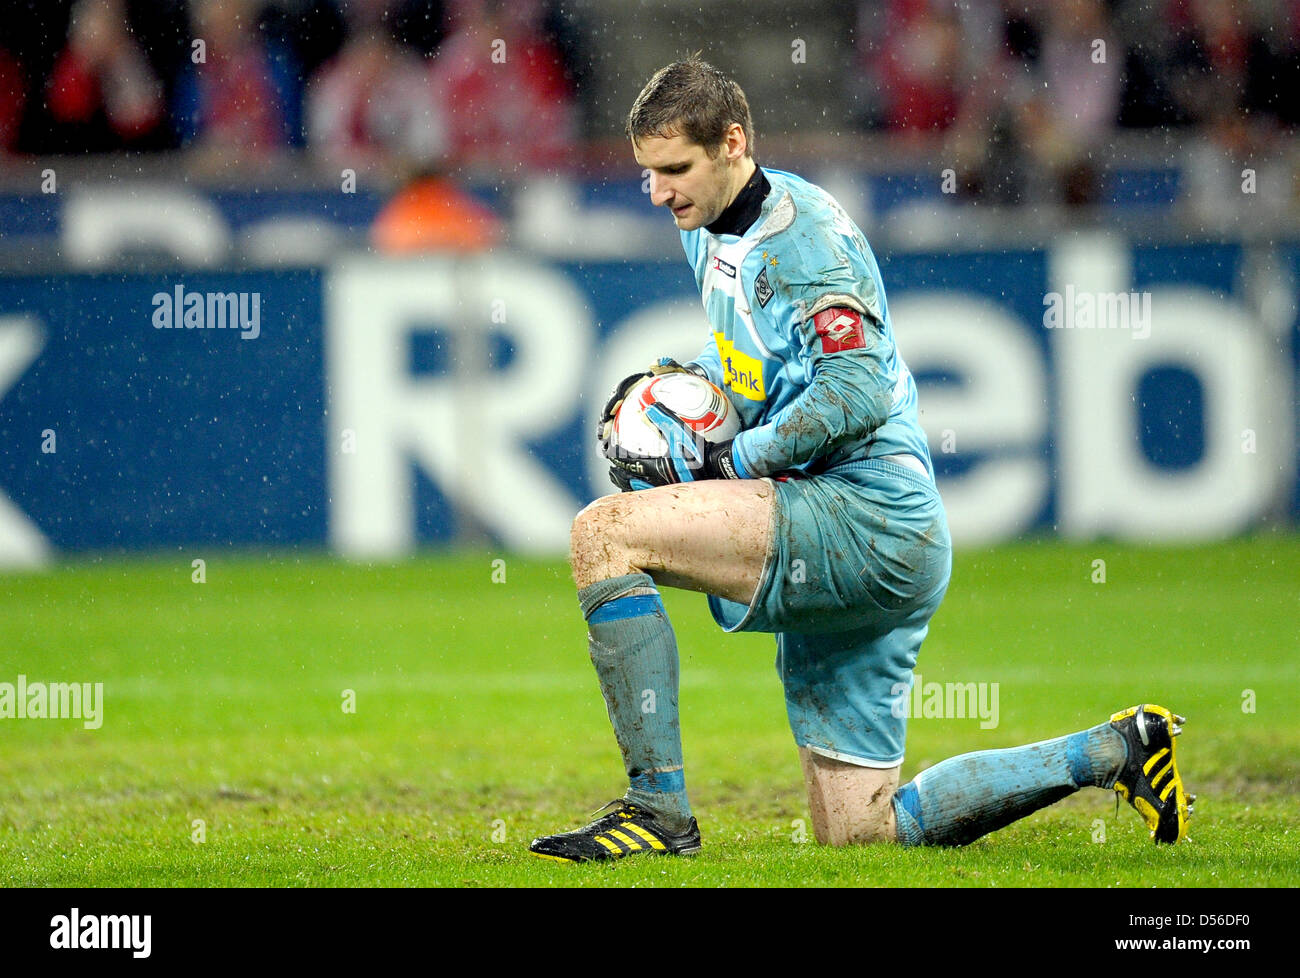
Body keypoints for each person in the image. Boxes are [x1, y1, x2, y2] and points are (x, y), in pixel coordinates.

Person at [528, 58, 1193, 862]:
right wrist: (687, 395)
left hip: (866, 514)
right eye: (647, 174)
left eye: (675, 170)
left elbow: (855, 393)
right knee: (862, 833)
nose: (660, 192)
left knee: (606, 536)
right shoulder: (712, 229)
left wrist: (727, 459)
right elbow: (770, 363)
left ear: (733, 142)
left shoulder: (803, 242)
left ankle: (657, 811)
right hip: (858, 528)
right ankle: (1114, 750)